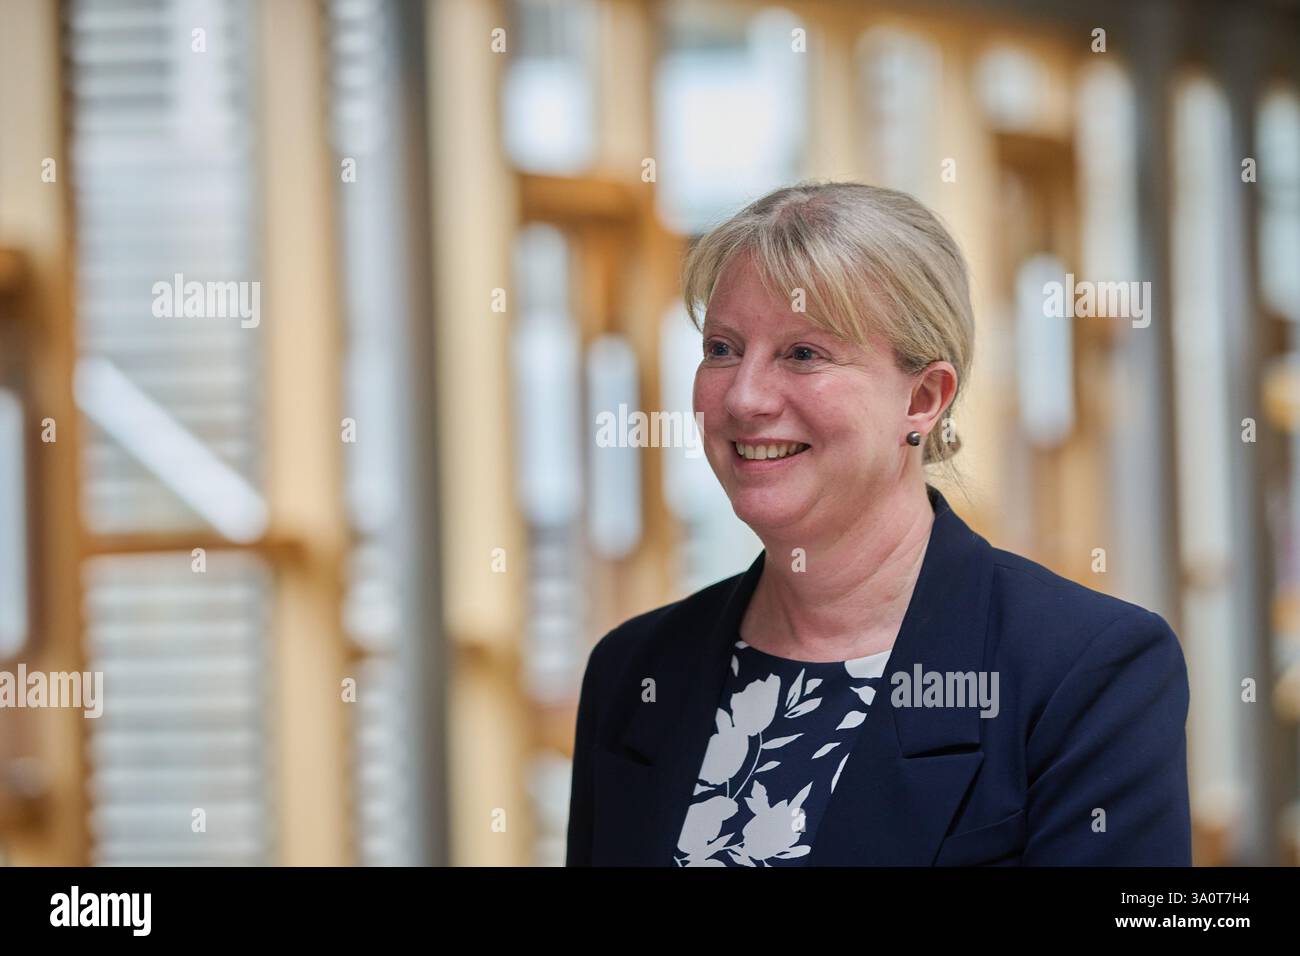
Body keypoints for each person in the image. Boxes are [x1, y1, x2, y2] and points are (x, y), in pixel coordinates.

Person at [565, 181, 1191, 866]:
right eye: (722, 348)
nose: (743, 397)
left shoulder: (1085, 673)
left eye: (803, 353)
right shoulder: (634, 673)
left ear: (924, 399)